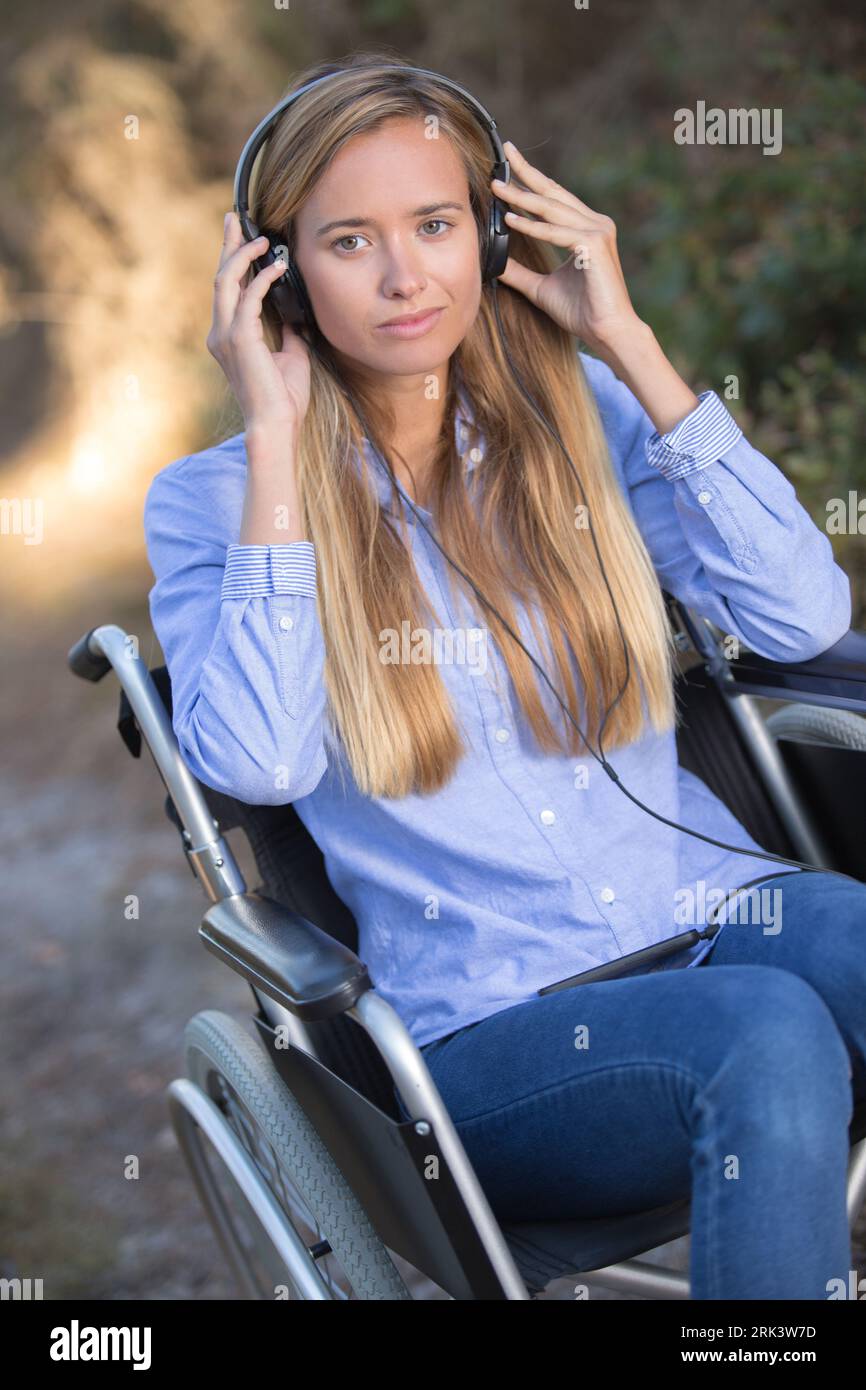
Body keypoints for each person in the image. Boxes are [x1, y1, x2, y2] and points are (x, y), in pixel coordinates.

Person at [143, 54, 866, 1299]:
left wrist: (626, 341)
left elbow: (801, 612)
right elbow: (257, 762)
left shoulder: (580, 413)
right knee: (766, 1035)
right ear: (277, 280)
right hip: (487, 1039)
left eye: (433, 225)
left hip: (705, 916)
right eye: (348, 241)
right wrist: (273, 438)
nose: (405, 275)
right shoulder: (212, 500)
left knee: (800, 979)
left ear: (488, 229)